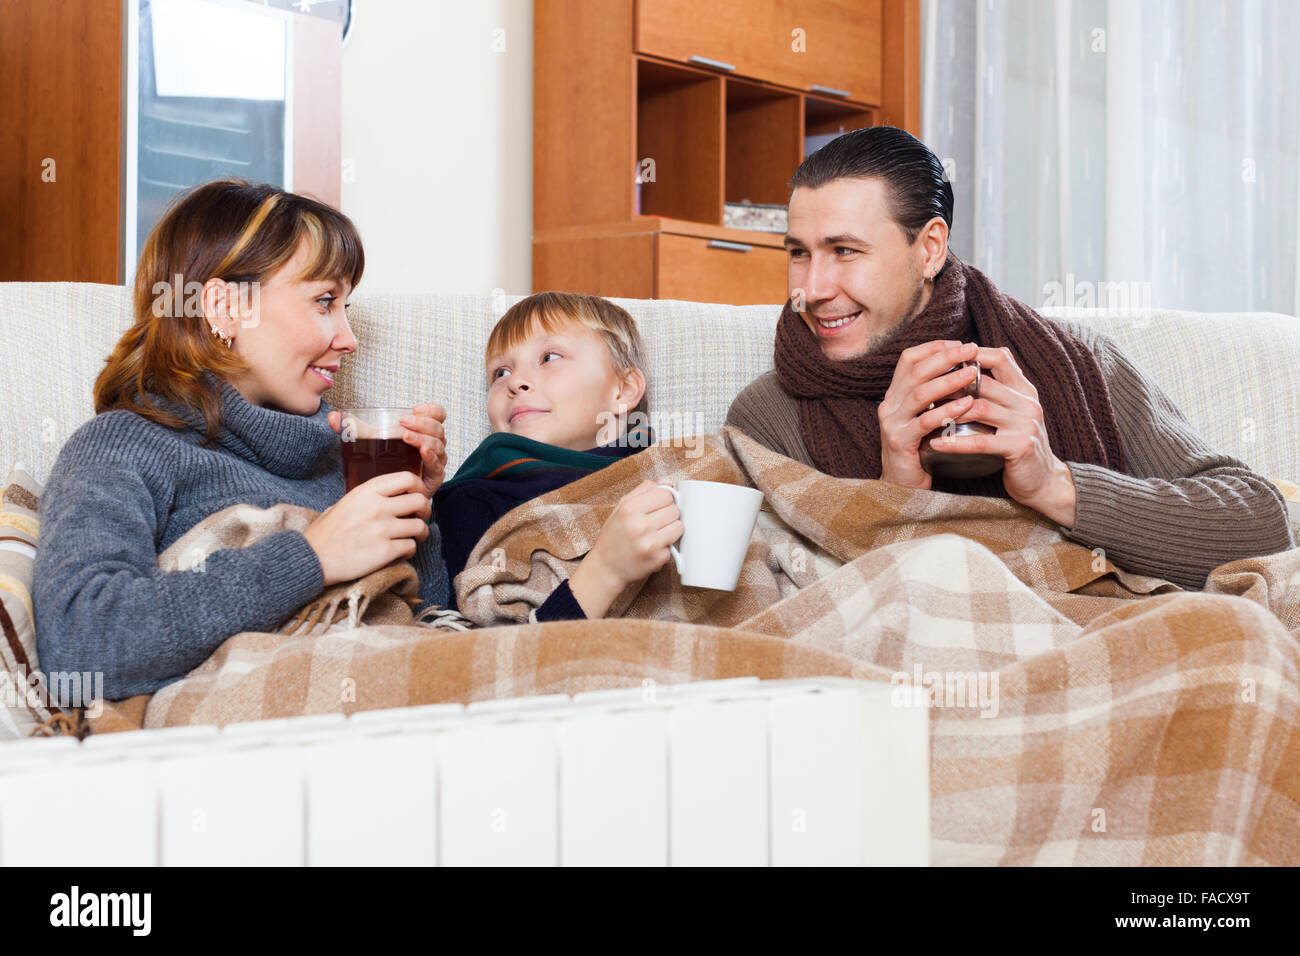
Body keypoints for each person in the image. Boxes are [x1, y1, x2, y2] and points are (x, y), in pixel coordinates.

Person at [726, 126, 1294, 591]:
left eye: (844, 251)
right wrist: (895, 493)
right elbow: (779, 603)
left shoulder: (1076, 362)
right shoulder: (768, 413)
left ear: (929, 248)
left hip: (1101, 637)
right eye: (799, 254)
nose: (814, 287)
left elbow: (1261, 524)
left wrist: (1055, 484)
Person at [34, 179, 451, 701]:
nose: (349, 338)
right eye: (324, 301)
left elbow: (430, 621)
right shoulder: (123, 446)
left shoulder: (347, 456)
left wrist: (417, 506)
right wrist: (310, 558)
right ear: (226, 308)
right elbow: (81, 640)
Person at [433, 291, 679, 621]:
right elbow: (481, 655)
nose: (516, 381)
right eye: (500, 373)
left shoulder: (679, 476)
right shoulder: (471, 501)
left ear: (623, 390)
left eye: (549, 358)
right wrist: (604, 570)